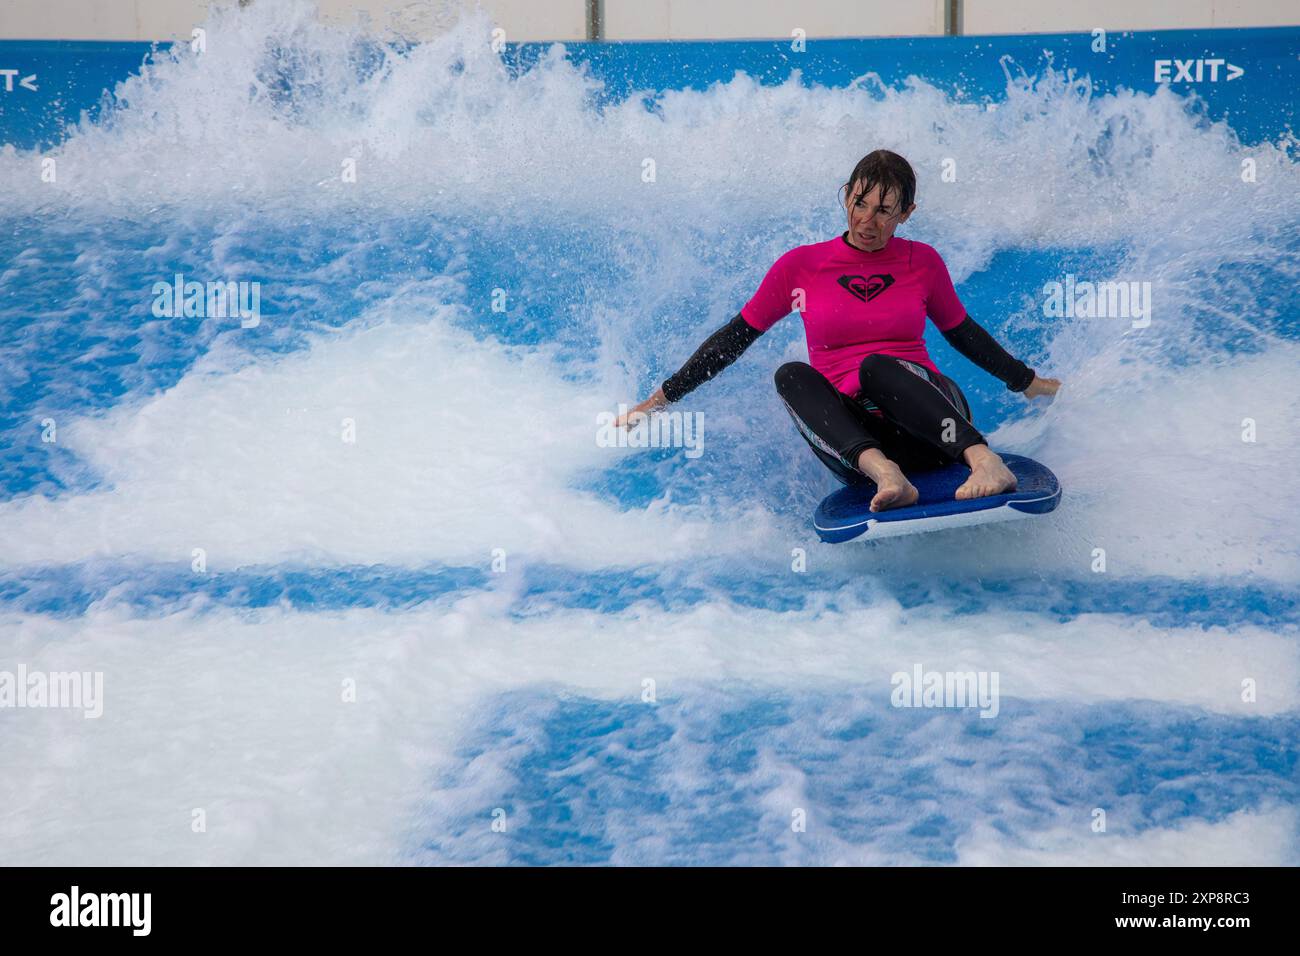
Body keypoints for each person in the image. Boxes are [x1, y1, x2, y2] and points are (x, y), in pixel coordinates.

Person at [617, 149, 1061, 512]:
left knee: (876, 368)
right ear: (846, 196)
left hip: (939, 431)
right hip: (861, 450)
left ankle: (986, 461)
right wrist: (655, 403)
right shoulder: (801, 268)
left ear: (907, 214)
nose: (868, 221)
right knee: (790, 374)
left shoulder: (921, 262)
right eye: (860, 203)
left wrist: (1029, 383)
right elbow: (734, 339)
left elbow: (963, 333)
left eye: (885, 211)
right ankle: (888, 476)